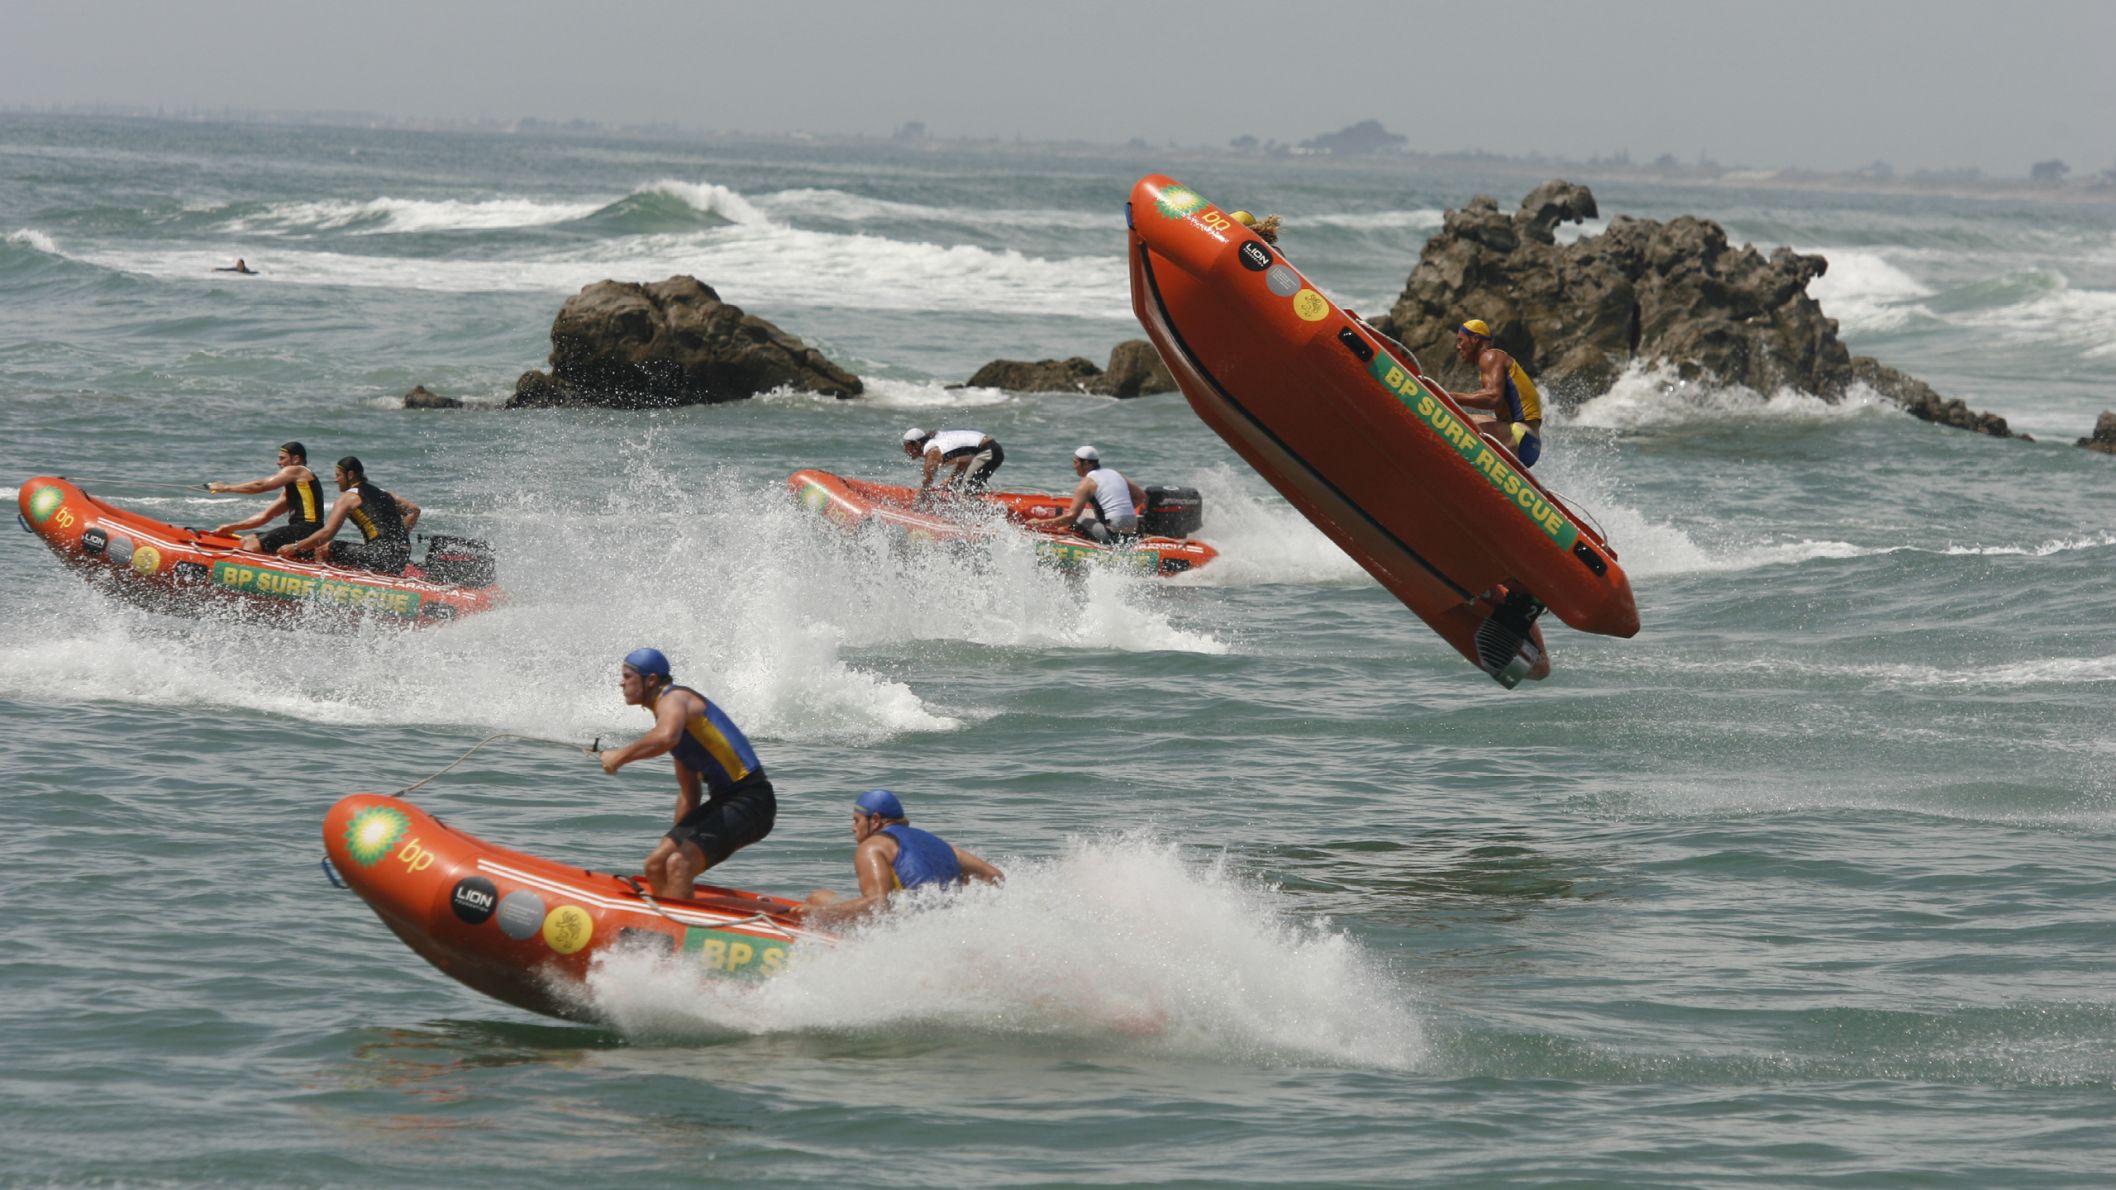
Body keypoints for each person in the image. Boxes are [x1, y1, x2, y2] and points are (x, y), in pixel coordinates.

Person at [598, 648, 776, 899]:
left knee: (678, 864)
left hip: (752, 801)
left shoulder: (675, 699)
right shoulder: (676, 725)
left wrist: (619, 757)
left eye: (628, 676)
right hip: (723, 803)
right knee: (657, 864)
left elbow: (665, 737)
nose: (621, 683)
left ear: (650, 680)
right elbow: (689, 794)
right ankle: (664, 923)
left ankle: (678, 934)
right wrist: (676, 837)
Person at [798, 788, 1001, 925]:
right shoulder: (944, 846)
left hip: (900, 931)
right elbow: (995, 877)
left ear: (875, 820)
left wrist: (818, 915)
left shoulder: (873, 846)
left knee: (816, 899)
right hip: (941, 929)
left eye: (856, 820)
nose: (853, 828)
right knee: (821, 897)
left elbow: (877, 903)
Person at [276, 455, 420, 573]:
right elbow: (413, 511)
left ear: (350, 475)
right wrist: (399, 537)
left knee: (324, 548)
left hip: (380, 555)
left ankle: (317, 587)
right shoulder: (384, 493)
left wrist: (295, 547)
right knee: (370, 551)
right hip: (401, 555)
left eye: (338, 475)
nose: (336, 480)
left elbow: (327, 533)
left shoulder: (348, 497)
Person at [1447, 319, 1544, 468]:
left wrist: (1452, 398)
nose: (1458, 347)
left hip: (1520, 437)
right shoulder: (1492, 365)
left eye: (1461, 340)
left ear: (1475, 339)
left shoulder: (1490, 356)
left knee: (1454, 422)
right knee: (1464, 417)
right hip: (1529, 444)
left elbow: (1493, 397)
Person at [207, 441, 327, 554]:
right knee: (246, 540)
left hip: (307, 529)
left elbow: (261, 486)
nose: (278, 462)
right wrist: (231, 527)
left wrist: (226, 488)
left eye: (282, 458)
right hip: (304, 531)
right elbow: (266, 516)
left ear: (296, 459)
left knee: (252, 543)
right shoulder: (295, 489)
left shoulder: (298, 470)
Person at [1030, 445, 1148, 543]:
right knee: (1090, 517)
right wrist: (1122, 512)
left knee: (1079, 519)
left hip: (1112, 535)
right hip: (1132, 528)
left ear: (1086, 464)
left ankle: (1067, 541)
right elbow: (1141, 496)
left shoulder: (1087, 483)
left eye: (1075, 462)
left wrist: (1039, 523)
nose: (1073, 467)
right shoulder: (1115, 473)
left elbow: (1071, 517)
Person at [901, 427, 1005, 494]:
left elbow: (927, 483)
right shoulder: (937, 442)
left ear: (916, 444)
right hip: (992, 450)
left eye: (907, 446)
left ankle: (977, 520)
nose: (905, 450)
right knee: (956, 485)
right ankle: (982, 500)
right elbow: (964, 458)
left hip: (988, 451)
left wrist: (917, 506)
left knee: (965, 491)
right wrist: (951, 478)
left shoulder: (932, 451)